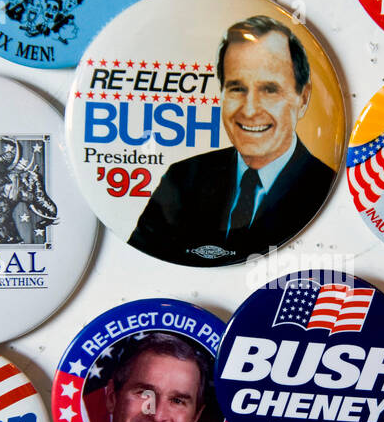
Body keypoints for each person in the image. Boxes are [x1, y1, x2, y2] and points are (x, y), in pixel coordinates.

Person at [128, 15, 335, 265]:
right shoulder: (183, 178)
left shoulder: (326, 190)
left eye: (269, 90)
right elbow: (140, 265)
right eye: (237, 88)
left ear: (303, 98)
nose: (250, 110)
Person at [97, 333, 209, 422]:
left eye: (177, 401)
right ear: (112, 397)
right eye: (145, 394)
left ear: (194, 419)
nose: (157, 415)